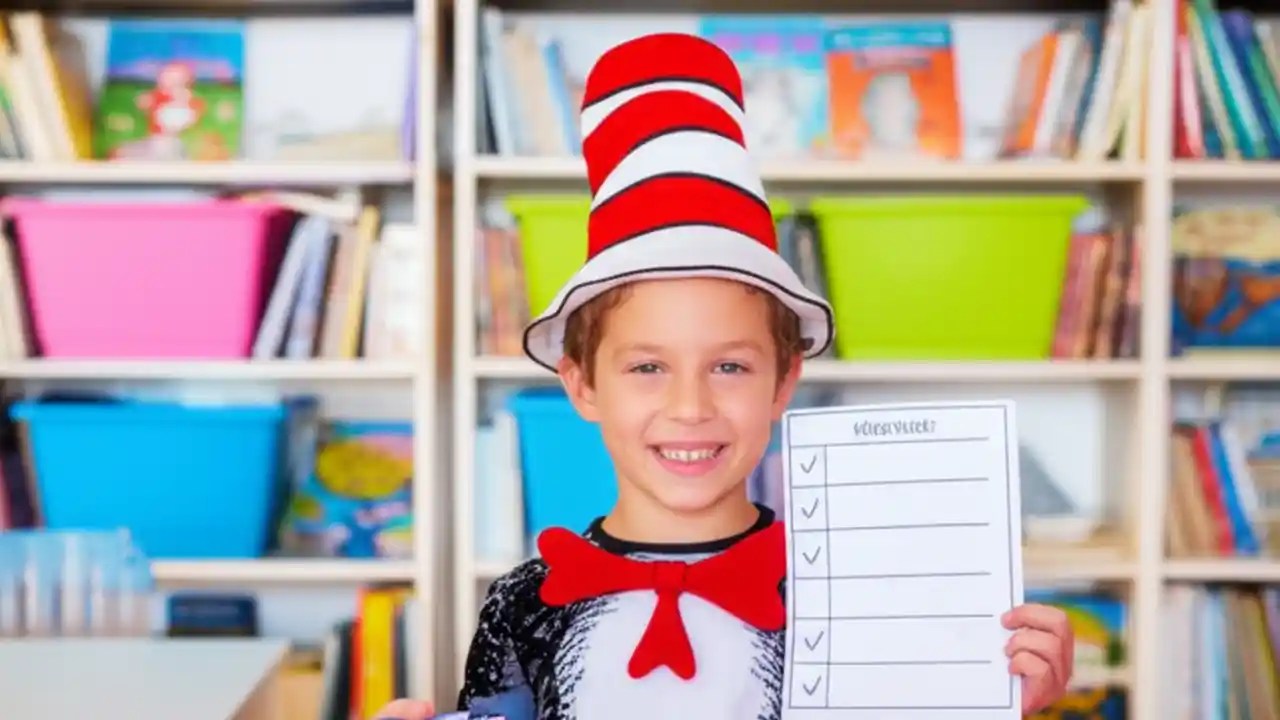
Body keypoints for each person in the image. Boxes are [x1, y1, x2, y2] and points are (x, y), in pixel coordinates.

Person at [375, 31, 1075, 720]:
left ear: (783, 382)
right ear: (582, 384)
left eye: (730, 366)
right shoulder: (523, 604)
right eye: (648, 366)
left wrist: (986, 697)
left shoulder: (854, 598)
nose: (690, 406)